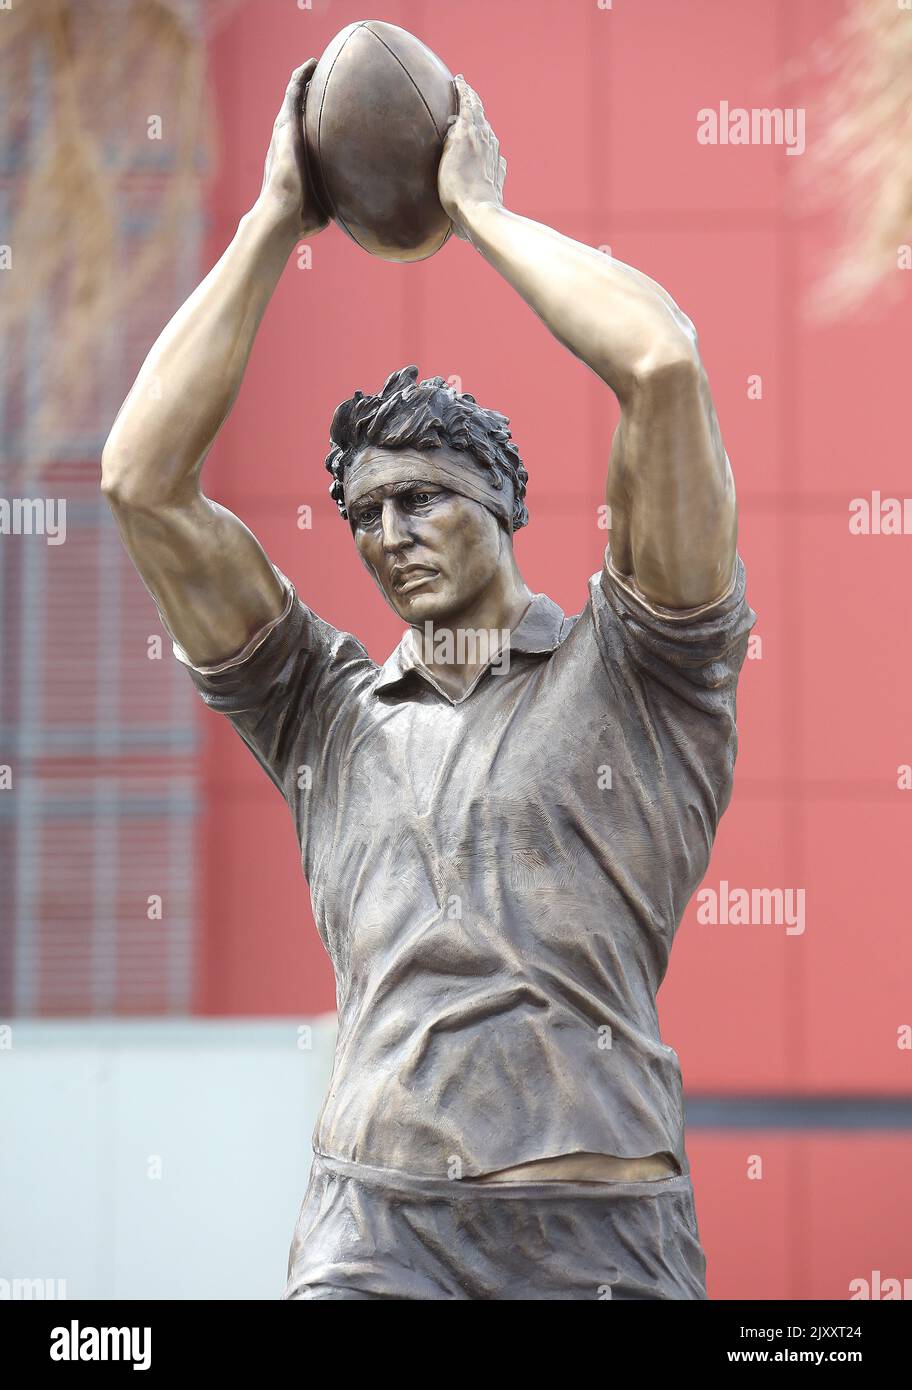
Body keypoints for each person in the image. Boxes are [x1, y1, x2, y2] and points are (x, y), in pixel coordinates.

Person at [101, 61, 756, 1301]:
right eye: (363, 511)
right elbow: (141, 481)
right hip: (373, 1232)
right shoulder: (322, 714)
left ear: (504, 503)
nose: (388, 530)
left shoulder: (644, 673)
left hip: (595, 1226)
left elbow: (661, 366)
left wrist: (481, 215)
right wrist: (272, 223)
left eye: (423, 499)